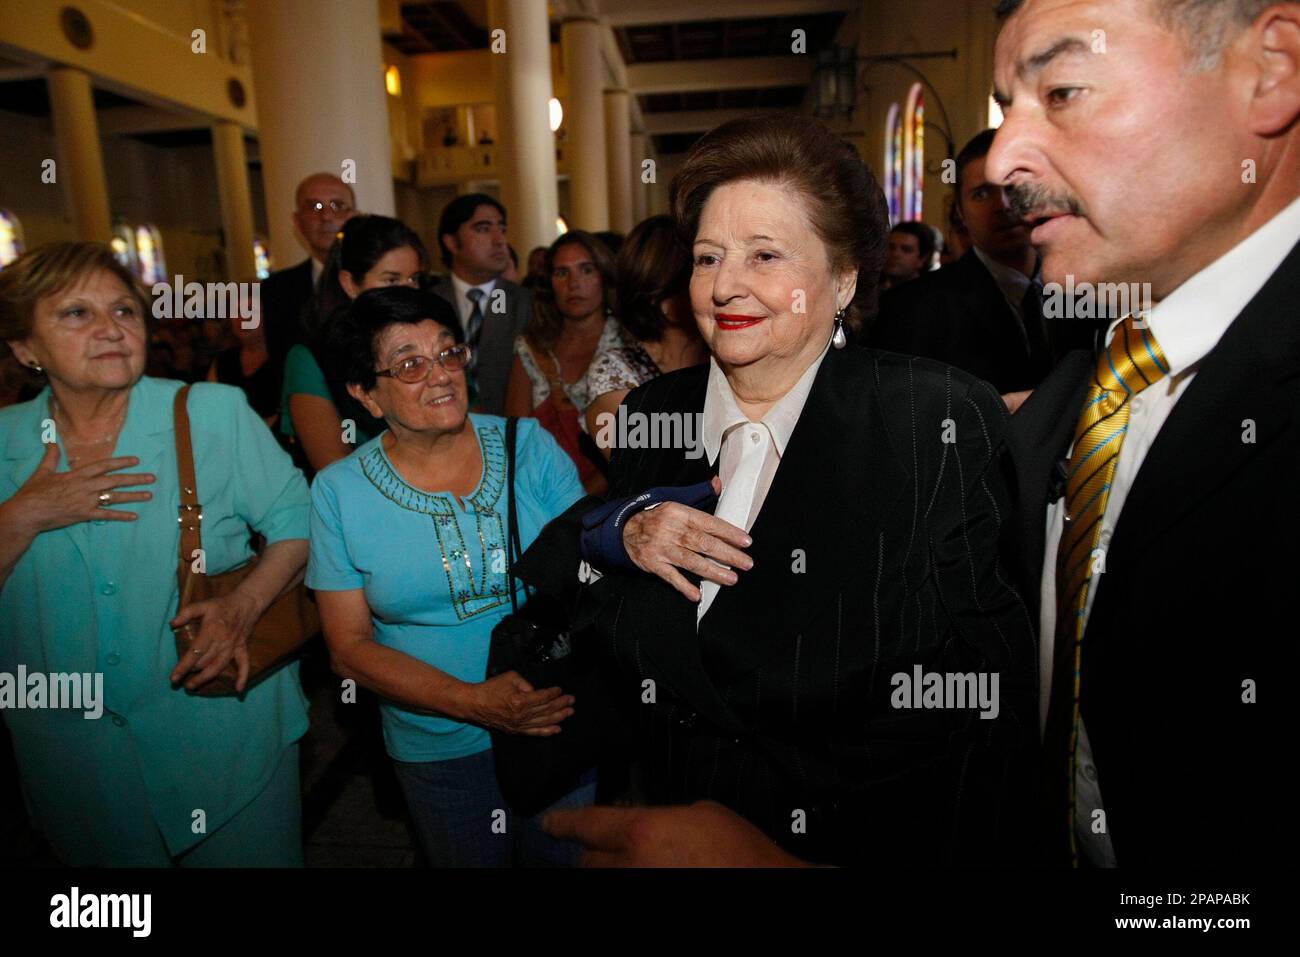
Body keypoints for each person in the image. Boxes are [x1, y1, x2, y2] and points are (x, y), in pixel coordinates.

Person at [533, 113, 1037, 867]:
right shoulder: (653, 413)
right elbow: (572, 572)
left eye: (765, 254)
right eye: (708, 257)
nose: (726, 284)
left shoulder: (931, 419)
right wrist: (625, 531)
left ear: (843, 278)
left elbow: (993, 693)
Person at [988, 0, 1297, 869]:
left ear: (1270, 70)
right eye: (1006, 106)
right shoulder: (1084, 386)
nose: (1006, 158)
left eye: (1063, 90)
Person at [0, 242, 310, 866]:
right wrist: (25, 515)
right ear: (25, 348)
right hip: (75, 764)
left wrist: (242, 606)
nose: (111, 329)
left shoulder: (209, 413)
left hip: (224, 740)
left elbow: (298, 520)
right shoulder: (5, 445)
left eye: (124, 311)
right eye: (76, 314)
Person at [306, 286, 593, 867]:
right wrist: (469, 701)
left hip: (554, 718)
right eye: (409, 364)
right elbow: (349, 648)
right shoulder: (340, 492)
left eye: (447, 353)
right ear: (366, 394)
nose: (439, 375)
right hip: (437, 747)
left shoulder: (527, 447)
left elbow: (593, 572)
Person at [865, 130, 1059, 411]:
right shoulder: (911, 309)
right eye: (981, 194)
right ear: (960, 212)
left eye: (1013, 187)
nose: (1002, 206)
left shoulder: (1089, 294)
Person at [280, 215, 425, 474]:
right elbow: (334, 466)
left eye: (413, 279)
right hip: (358, 503)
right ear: (350, 284)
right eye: (391, 280)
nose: (406, 292)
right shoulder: (311, 357)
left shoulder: (430, 343)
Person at [504, 230, 621, 493]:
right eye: (562, 272)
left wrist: (579, 501)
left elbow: (635, 447)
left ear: (603, 276)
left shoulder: (629, 345)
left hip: (614, 497)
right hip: (542, 495)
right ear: (549, 283)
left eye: (586, 270)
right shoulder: (531, 347)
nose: (574, 283)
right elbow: (516, 440)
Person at [584, 214, 709, 455]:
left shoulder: (727, 358)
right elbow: (645, 467)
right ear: (658, 294)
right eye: (698, 273)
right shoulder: (616, 370)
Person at [426, 193, 531, 415]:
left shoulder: (526, 305)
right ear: (452, 242)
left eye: (501, 229)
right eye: (483, 229)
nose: (499, 240)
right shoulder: (427, 303)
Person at [261, 173, 358, 383]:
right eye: (314, 207)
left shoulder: (377, 279)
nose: (326, 217)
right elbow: (280, 366)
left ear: (354, 216)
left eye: (337, 205)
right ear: (297, 221)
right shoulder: (275, 290)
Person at [208, 304, 278, 427]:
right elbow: (210, 406)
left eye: (251, 311)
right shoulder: (223, 361)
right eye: (237, 311)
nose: (242, 318)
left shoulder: (284, 361)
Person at [882, 221, 935, 290]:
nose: (895, 254)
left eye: (906, 249)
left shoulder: (928, 296)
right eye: (891, 247)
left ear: (922, 259)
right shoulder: (875, 292)